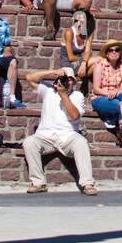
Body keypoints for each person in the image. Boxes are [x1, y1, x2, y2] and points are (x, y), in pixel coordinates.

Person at [22, 68, 97, 196]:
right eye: (64, 78)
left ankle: (87, 183)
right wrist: (52, 72)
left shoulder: (77, 96)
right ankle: (38, 183)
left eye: (69, 80)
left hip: (68, 137)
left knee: (81, 143)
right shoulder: (49, 90)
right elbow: (29, 78)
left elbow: (74, 116)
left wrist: (63, 95)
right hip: (45, 136)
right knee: (29, 142)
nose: (66, 82)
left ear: (73, 82)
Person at [90, 40, 122, 146]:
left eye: (117, 50)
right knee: (121, 106)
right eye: (111, 50)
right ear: (107, 53)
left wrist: (115, 91)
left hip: (116, 94)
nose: (114, 52)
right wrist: (109, 93)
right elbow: (96, 89)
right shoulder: (100, 66)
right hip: (100, 97)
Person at [59, 9, 93, 81]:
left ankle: (85, 81)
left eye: (82, 22)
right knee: (99, 59)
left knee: (97, 66)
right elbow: (70, 57)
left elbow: (87, 52)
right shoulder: (69, 32)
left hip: (80, 62)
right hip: (68, 64)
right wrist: (84, 60)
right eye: (76, 21)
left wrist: (84, 63)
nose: (78, 24)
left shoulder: (89, 33)